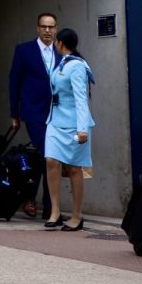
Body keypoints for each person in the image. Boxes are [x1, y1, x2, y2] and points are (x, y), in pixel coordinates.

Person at [42, 28, 93, 231]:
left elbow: (81, 98)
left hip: (74, 123)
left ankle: (77, 215)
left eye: (57, 41)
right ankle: (55, 210)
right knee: (51, 160)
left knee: (74, 168)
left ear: (61, 43)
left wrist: (83, 129)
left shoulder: (77, 65)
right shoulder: (62, 63)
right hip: (55, 120)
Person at [9, 12, 58, 218]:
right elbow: (14, 81)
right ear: (38, 28)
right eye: (44, 27)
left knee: (49, 158)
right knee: (49, 155)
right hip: (34, 112)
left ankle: (40, 202)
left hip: (57, 113)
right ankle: (48, 207)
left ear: (55, 29)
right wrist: (14, 113)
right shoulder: (24, 50)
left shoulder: (61, 51)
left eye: (51, 27)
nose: (47, 30)